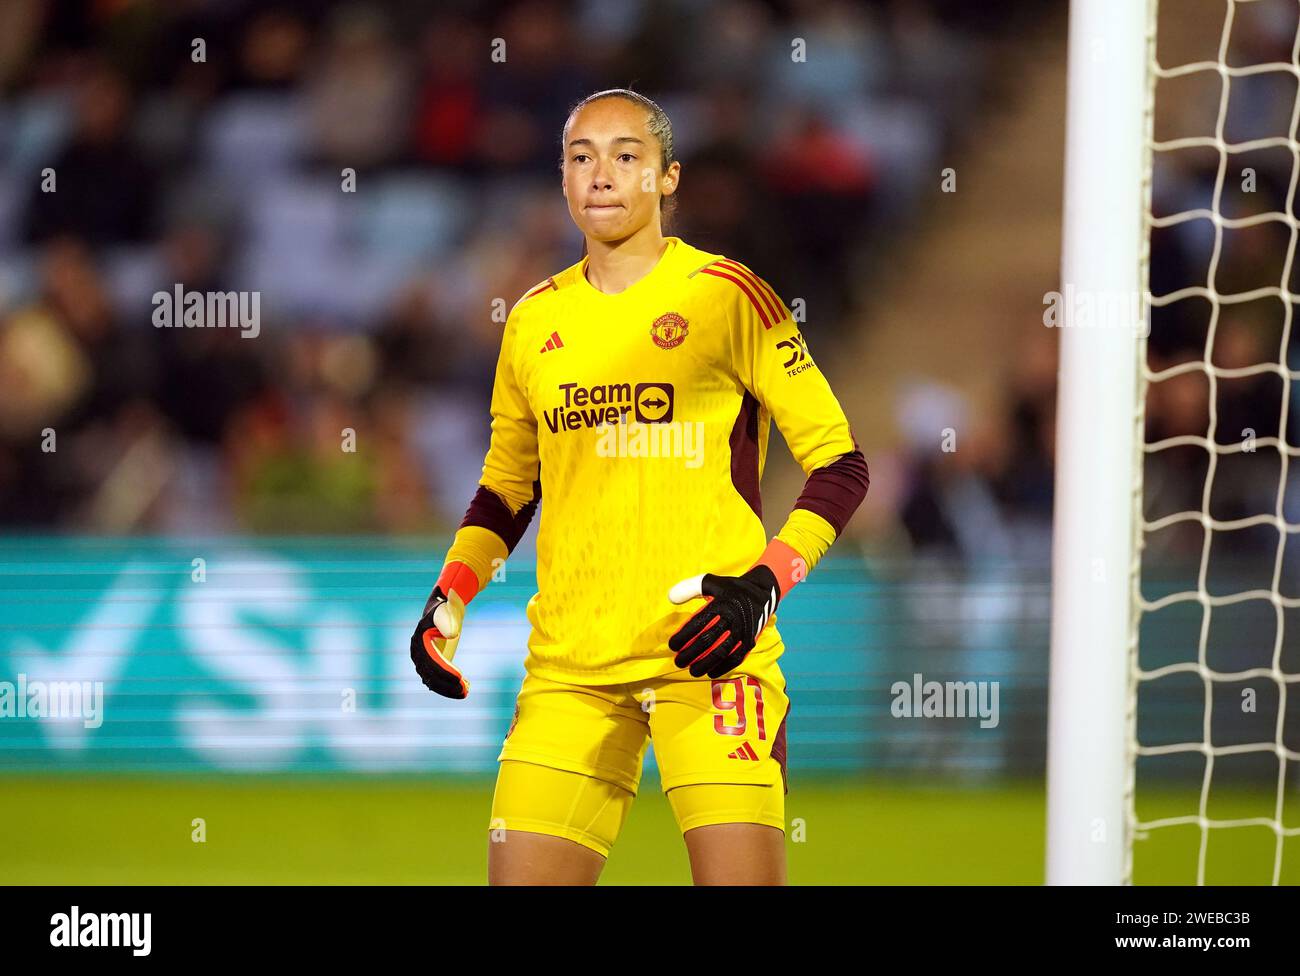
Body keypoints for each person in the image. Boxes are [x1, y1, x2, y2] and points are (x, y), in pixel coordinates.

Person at [409, 88, 869, 885]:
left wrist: (763, 586)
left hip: (712, 655)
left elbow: (841, 465)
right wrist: (450, 593)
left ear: (667, 178)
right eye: (582, 157)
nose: (602, 175)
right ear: (561, 178)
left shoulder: (728, 296)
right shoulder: (531, 321)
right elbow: (506, 492)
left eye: (626, 157)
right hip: (571, 670)